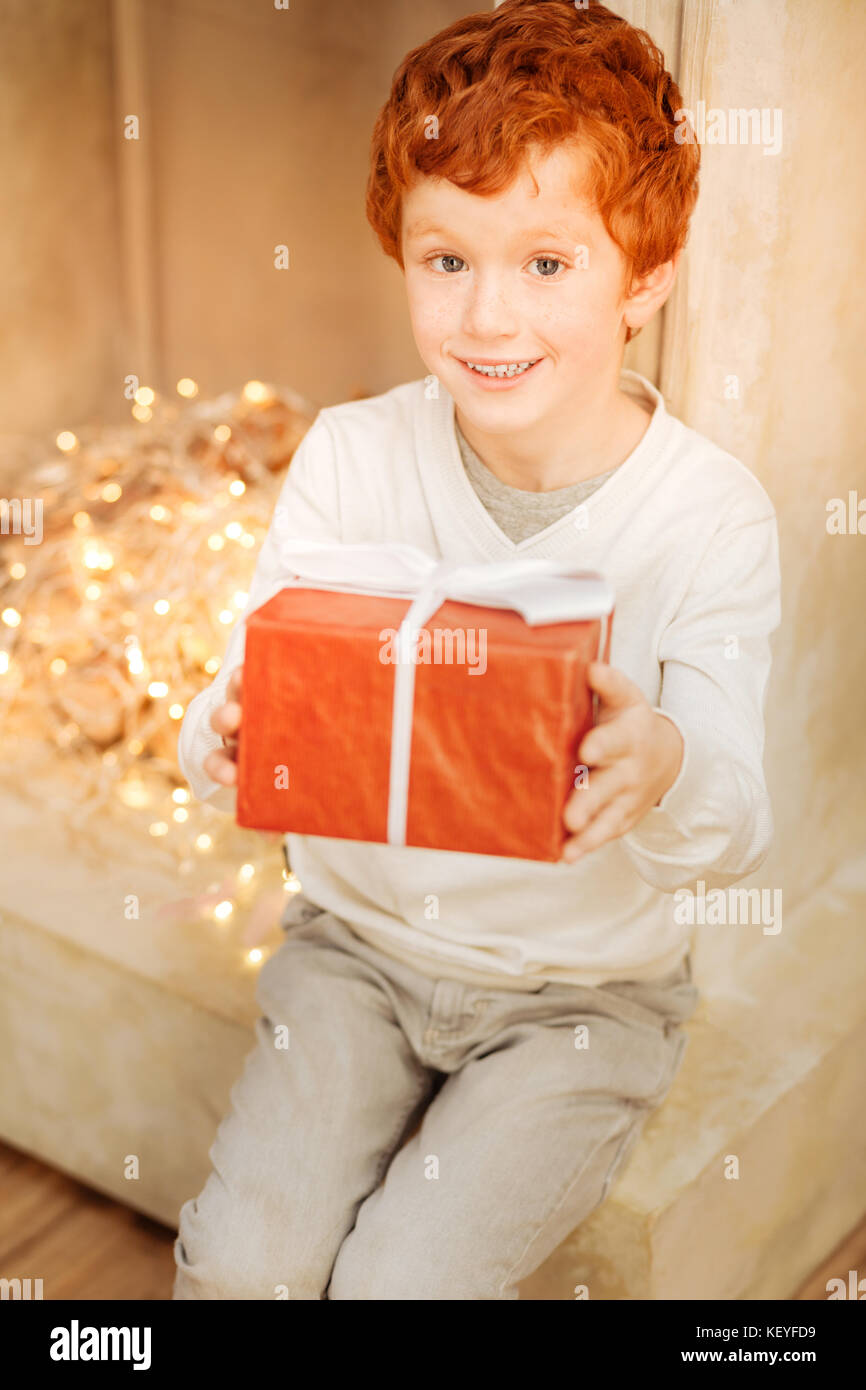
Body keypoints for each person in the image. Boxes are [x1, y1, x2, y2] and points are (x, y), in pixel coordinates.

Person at [172, 0, 780, 1300]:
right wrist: (223, 735)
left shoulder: (707, 514)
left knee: (402, 1282)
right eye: (446, 259)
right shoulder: (351, 453)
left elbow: (732, 818)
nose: (486, 315)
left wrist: (663, 761)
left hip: (581, 1000)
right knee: (242, 1263)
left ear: (646, 279)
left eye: (546, 264)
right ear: (398, 252)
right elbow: (240, 708)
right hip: (356, 953)